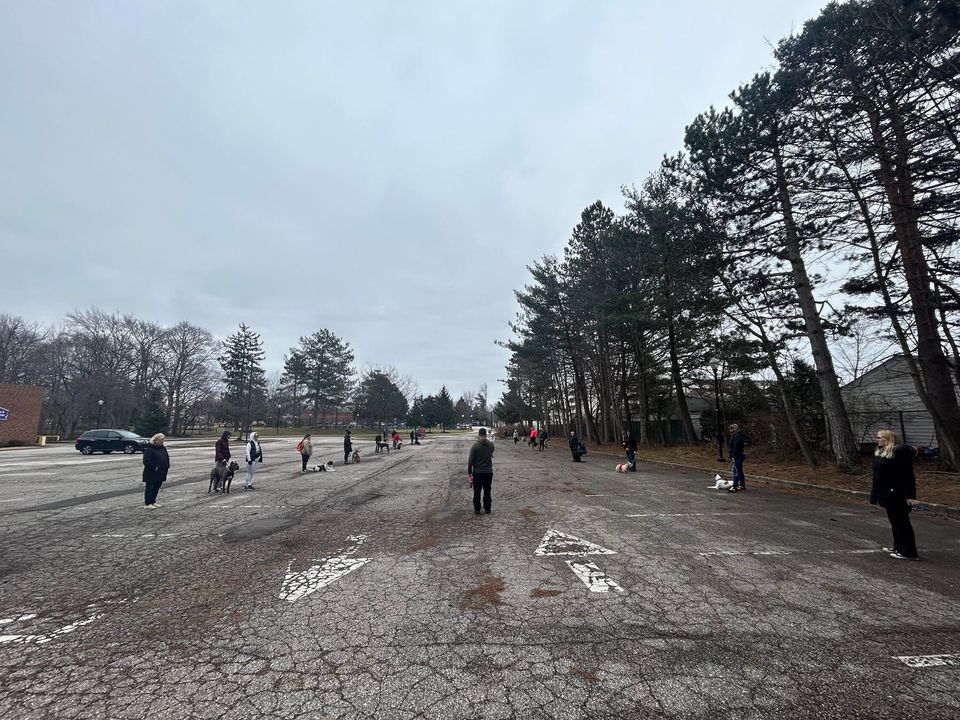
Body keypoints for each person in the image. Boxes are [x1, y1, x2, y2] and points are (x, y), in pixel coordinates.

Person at [870, 429, 920, 560]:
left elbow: (908, 476)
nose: (877, 439)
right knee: (894, 521)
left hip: (897, 493)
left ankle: (908, 551)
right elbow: (877, 476)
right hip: (887, 493)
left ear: (889, 439)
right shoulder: (882, 454)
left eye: (880, 437)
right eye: (877, 437)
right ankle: (898, 546)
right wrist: (875, 495)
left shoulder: (899, 454)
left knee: (902, 522)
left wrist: (910, 496)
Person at [467, 427, 495, 515]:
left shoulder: (475, 446)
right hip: (488, 472)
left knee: (477, 491)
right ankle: (487, 508)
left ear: (479, 435)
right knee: (487, 490)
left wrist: (469, 471)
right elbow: (491, 452)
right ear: (485, 435)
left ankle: (477, 509)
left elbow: (471, 460)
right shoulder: (490, 445)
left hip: (478, 472)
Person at [142, 433, 170, 509]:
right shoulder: (149, 449)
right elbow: (146, 461)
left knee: (156, 487)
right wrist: (155, 467)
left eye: (163, 439)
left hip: (161, 471)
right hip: (151, 472)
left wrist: (167, 465)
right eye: (161, 440)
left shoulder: (162, 448)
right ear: (155, 440)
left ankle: (153, 501)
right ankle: (147, 503)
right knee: (150, 487)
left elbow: (166, 457)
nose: (162, 441)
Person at [728, 424, 746, 492]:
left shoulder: (737, 437)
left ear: (735, 429)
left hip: (738, 456)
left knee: (736, 471)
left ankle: (734, 486)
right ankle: (742, 485)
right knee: (739, 470)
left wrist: (733, 456)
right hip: (738, 455)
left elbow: (736, 448)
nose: (730, 430)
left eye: (731, 428)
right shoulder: (735, 436)